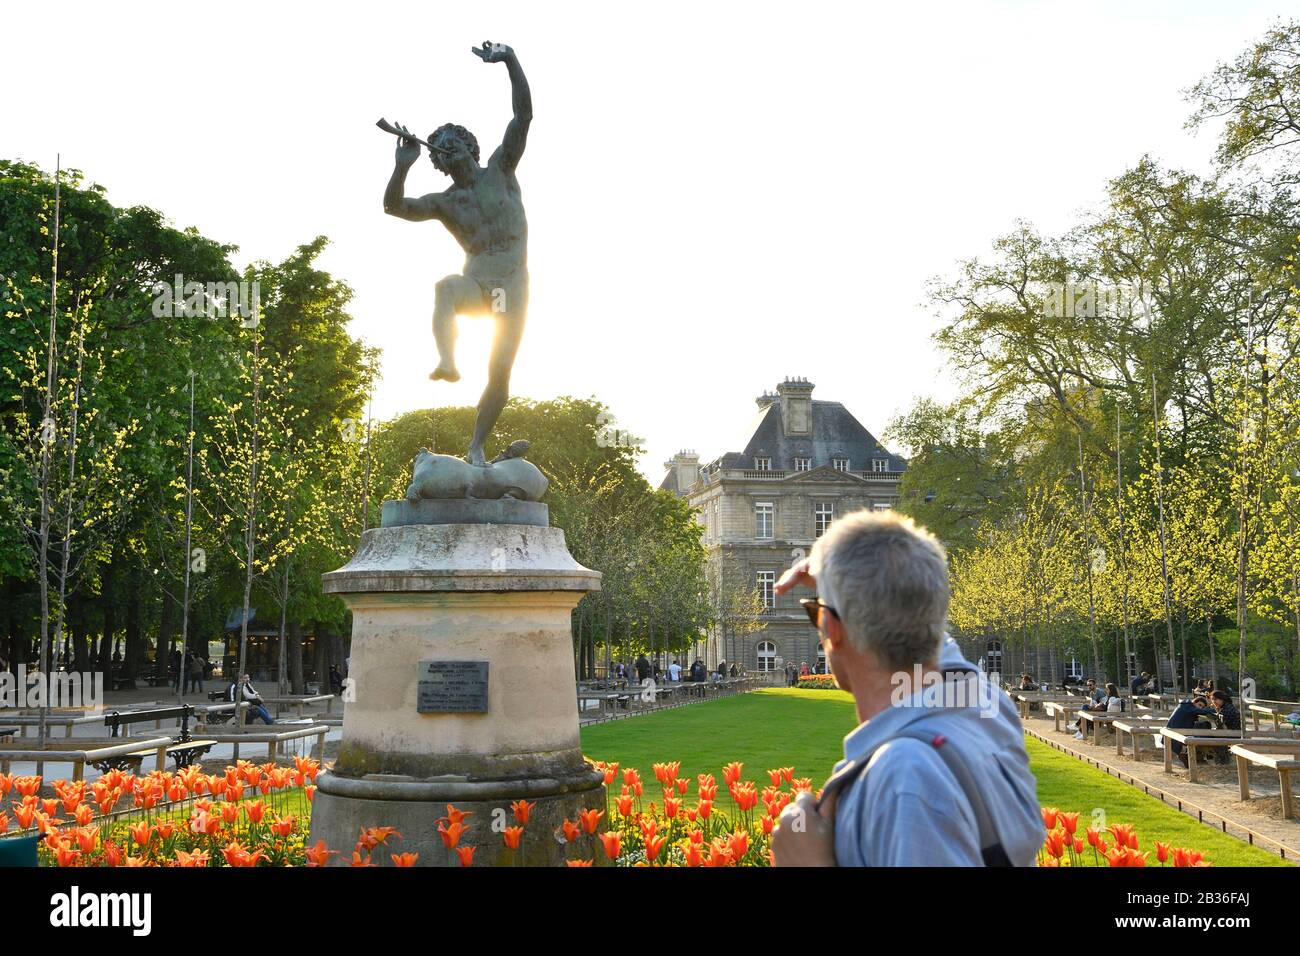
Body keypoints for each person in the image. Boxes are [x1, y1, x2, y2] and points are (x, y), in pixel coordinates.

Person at [769, 510, 1043, 867]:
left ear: (830, 627)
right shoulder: (984, 703)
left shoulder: (905, 777)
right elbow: (922, 626)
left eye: (816, 612)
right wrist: (851, 584)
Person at [382, 43, 532, 467]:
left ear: (469, 147)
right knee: (445, 287)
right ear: (440, 163)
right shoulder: (446, 203)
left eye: (454, 144)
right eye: (442, 150)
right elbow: (396, 208)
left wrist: (510, 60)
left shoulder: (501, 170)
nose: (450, 152)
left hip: (509, 288)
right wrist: (402, 166)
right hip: (477, 286)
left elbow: (523, 117)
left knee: (499, 372)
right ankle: (447, 361)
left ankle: (477, 446)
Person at [1165, 695, 1217, 767]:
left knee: (1202, 727)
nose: (1200, 707)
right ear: (1194, 702)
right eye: (1199, 705)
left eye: (1202, 706)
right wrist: (1216, 710)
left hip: (1178, 729)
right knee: (1200, 733)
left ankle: (1193, 755)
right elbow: (1201, 711)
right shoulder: (1187, 706)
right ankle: (1192, 755)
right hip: (1175, 731)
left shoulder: (1187, 706)